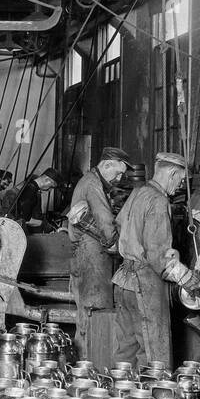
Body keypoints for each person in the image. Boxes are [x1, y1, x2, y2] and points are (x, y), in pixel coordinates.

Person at [112, 152, 198, 368]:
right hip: (145, 283)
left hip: (123, 281)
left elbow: (119, 224)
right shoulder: (158, 200)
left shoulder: (138, 192)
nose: (179, 186)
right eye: (180, 180)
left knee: (126, 352)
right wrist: (186, 278)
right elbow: (158, 255)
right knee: (154, 355)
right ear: (171, 173)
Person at [68, 147, 128, 366]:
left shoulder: (89, 180)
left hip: (83, 254)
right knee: (96, 310)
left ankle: (81, 364)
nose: (120, 178)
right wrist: (119, 244)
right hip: (91, 256)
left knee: (85, 313)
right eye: (118, 173)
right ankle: (90, 367)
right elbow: (105, 222)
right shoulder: (93, 185)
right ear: (107, 165)